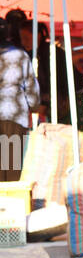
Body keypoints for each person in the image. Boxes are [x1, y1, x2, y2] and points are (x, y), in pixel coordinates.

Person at [0, 16, 39, 180]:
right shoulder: (20, 55)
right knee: (13, 167)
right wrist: (35, 105)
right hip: (15, 118)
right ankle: (11, 205)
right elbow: (31, 89)